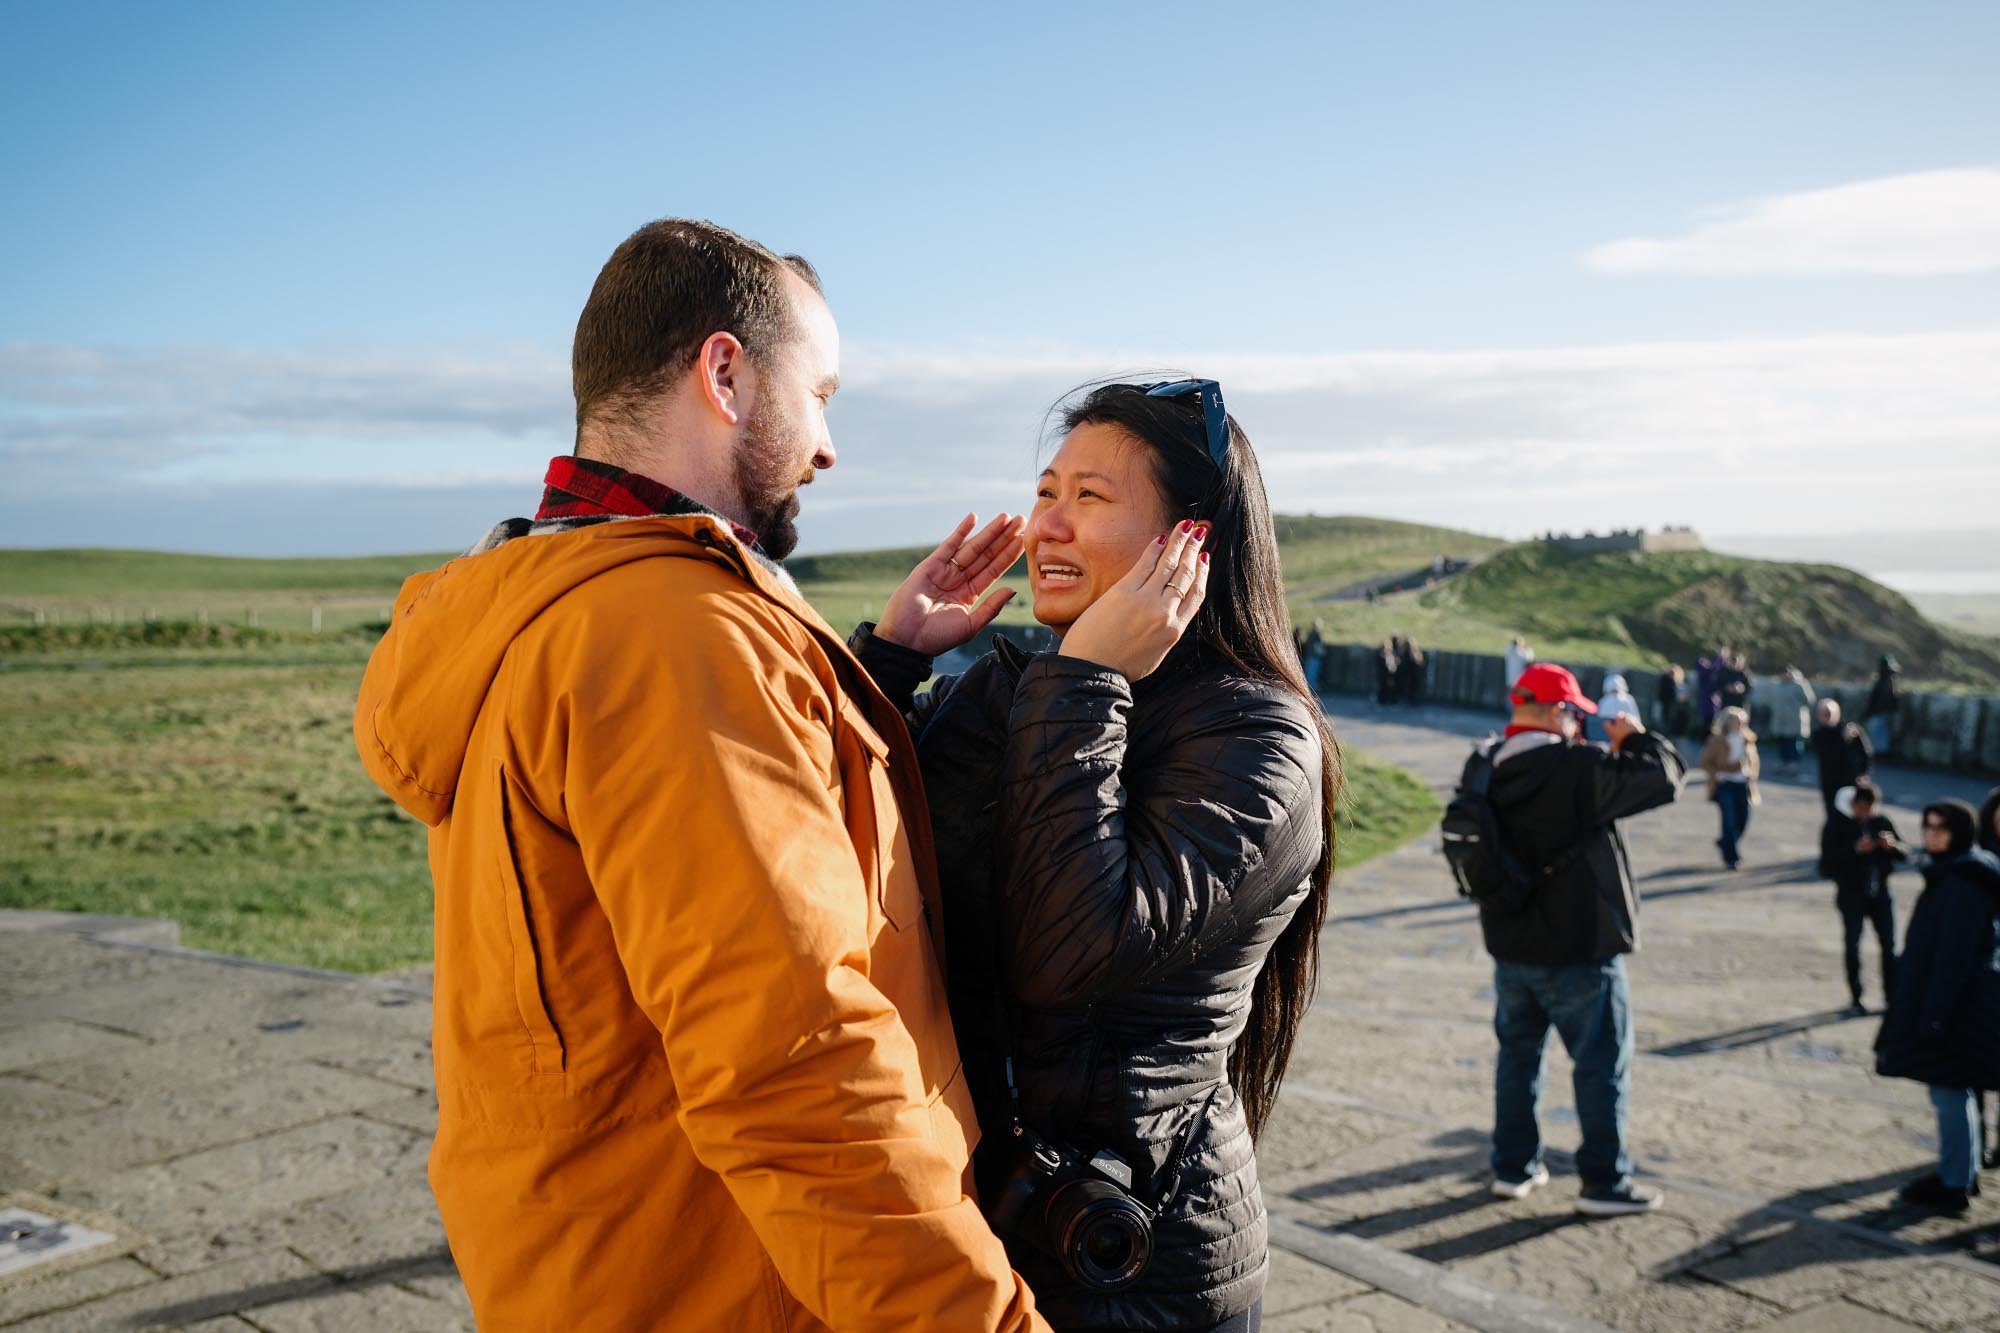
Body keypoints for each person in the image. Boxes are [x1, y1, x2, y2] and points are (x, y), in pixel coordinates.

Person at [352, 220, 1044, 1332]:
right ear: (724, 374)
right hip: (726, 1282)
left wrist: (878, 663)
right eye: (819, 395)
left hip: (599, 1257)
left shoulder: (546, 598)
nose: (828, 447)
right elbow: (798, 1069)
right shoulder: (675, 640)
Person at [850, 379, 1334, 1331]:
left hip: (1135, 1270)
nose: (1048, 526)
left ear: (1190, 541)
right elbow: (829, 849)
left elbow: (1069, 953)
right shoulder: (1010, 692)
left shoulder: (1260, 741)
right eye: (1045, 492)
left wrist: (1085, 682)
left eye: (1090, 497)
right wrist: (894, 659)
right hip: (962, 1233)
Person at [1468, 662, 1685, 1215]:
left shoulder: (1484, 763)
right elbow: (1664, 778)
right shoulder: (1576, 767)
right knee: (1600, 1066)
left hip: (1511, 945)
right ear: (1556, 711)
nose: (1578, 724)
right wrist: (1635, 736)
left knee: (1518, 1061)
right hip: (1580, 950)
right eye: (1574, 714)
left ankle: (1513, 1167)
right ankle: (1604, 1182)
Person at [1874, 800, 2000, 1215]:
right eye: (1928, 826)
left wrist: (1934, 1016)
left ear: (1959, 833)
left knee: (1950, 1091)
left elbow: (1953, 959)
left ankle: (1955, 1182)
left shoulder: (1963, 883)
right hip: (1959, 1003)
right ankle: (1961, 1173)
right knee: (1954, 1090)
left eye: (1941, 829)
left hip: (1961, 1007)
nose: (1931, 835)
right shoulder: (1956, 871)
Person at [1819, 779, 1903, 1014]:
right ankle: (1856, 997)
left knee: (1889, 945)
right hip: (1851, 892)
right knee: (1853, 945)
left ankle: (1892, 995)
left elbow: (1904, 853)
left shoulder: (1881, 822)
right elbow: (1826, 865)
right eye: (1861, 808)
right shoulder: (1838, 824)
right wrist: (1855, 850)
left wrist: (1892, 847)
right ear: (1853, 804)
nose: (1865, 813)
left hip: (1880, 891)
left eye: (1869, 808)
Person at [1700, 706, 1760, 870]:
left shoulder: (1748, 740)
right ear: (1728, 723)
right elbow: (1705, 762)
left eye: (1742, 722)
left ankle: (1725, 843)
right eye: (1736, 722)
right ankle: (1731, 857)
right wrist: (1717, 775)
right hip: (1725, 784)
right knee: (1729, 820)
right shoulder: (1717, 741)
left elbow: (1754, 762)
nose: (1740, 725)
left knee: (1743, 819)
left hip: (1742, 784)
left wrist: (1752, 774)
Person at [1811, 698, 1873, 817]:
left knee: (1852, 814)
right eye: (1823, 714)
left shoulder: (1849, 729)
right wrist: (1843, 740)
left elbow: (1865, 752)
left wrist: (1864, 772)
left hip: (1850, 779)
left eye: (1829, 713)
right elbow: (1827, 756)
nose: (1827, 717)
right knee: (1833, 814)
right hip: (1830, 780)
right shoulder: (1818, 735)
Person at [1765, 665, 1816, 767]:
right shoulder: (1777, 685)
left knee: (1794, 742)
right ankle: (1783, 762)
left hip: (1795, 720)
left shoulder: (1799, 685)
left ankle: (1794, 763)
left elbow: (1810, 700)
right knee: (1782, 742)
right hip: (1780, 720)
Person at [1865, 654, 1901, 756]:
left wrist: (1875, 710)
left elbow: (1885, 697)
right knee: (1879, 733)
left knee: (1878, 732)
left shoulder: (1887, 680)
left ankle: (1880, 753)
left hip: (1880, 712)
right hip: (1881, 711)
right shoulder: (1887, 679)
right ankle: (1880, 752)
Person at [1653, 665, 1685, 734]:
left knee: (1669, 719)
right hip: (1663, 702)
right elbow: (1665, 691)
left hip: (1670, 704)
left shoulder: (1675, 682)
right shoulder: (1664, 680)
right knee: (1661, 718)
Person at [1398, 636, 1427, 705]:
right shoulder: (1405, 652)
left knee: (1415, 687)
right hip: (1408, 674)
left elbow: (1421, 663)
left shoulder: (1416, 652)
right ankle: (1410, 699)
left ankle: (1415, 700)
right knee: (1409, 687)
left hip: (1415, 673)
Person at [1505, 637, 1534, 702]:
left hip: (1513, 681)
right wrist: (1529, 650)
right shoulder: (1517, 653)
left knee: (1512, 698)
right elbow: (1529, 659)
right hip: (1518, 681)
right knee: (1517, 699)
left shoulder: (1510, 651)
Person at [1376, 638, 1400, 706]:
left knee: (1392, 688)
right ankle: (1382, 701)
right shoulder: (1381, 655)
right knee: (1383, 688)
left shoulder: (1392, 654)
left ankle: (1391, 700)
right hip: (1384, 675)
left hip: (1392, 675)